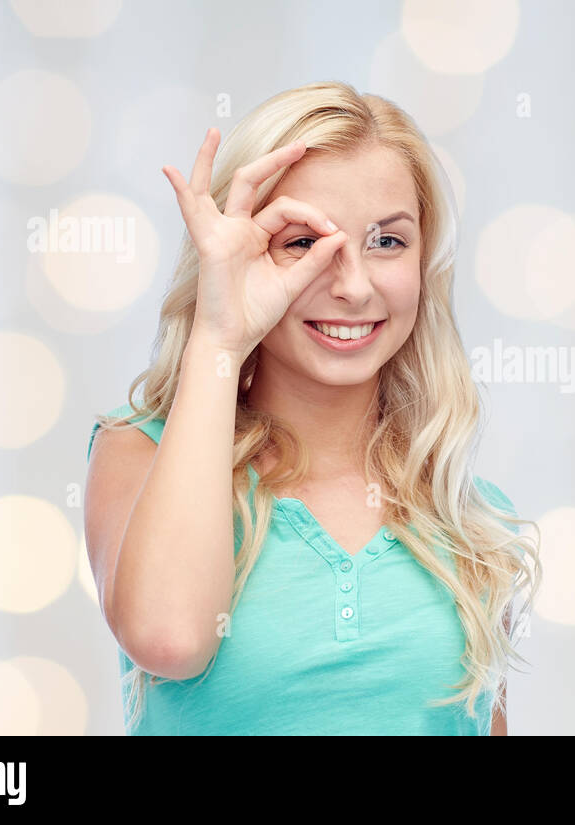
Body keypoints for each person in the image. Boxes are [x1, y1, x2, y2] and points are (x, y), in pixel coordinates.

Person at [83, 81, 539, 735]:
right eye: (301, 244)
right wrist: (220, 335)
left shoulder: (462, 514)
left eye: (387, 242)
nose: (352, 286)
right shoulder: (138, 454)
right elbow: (170, 639)